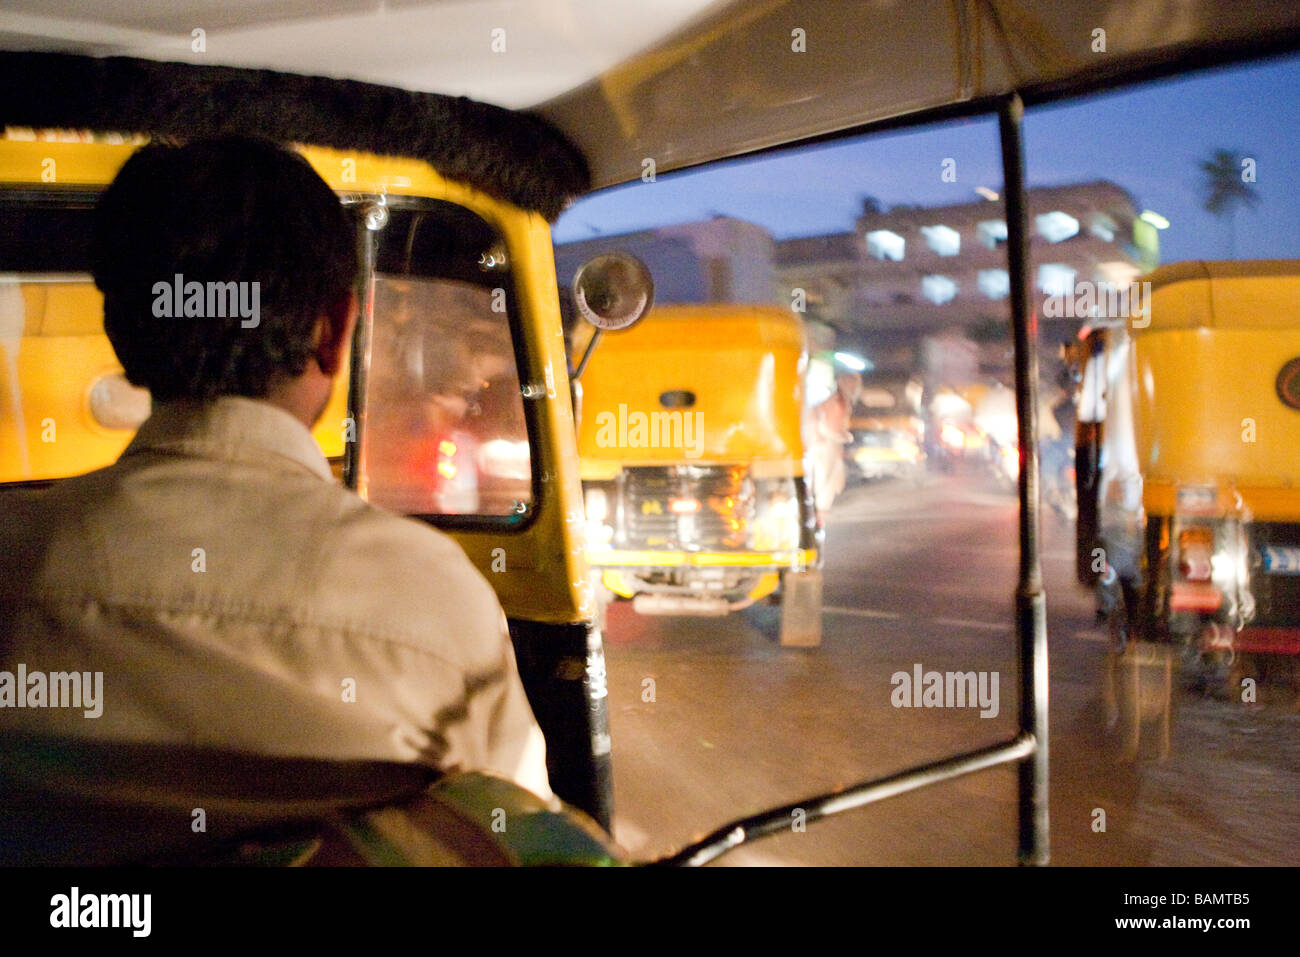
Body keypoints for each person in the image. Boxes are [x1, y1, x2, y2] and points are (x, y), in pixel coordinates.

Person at [0, 137, 551, 811]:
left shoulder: (16, 561)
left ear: (120, 328)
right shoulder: (437, 601)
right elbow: (518, 833)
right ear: (336, 329)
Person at [810, 369, 862, 518]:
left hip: (831, 442)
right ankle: (819, 511)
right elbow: (828, 421)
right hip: (826, 443)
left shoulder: (843, 400)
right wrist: (820, 432)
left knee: (832, 476)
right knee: (825, 475)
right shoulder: (836, 400)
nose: (855, 387)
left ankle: (821, 510)